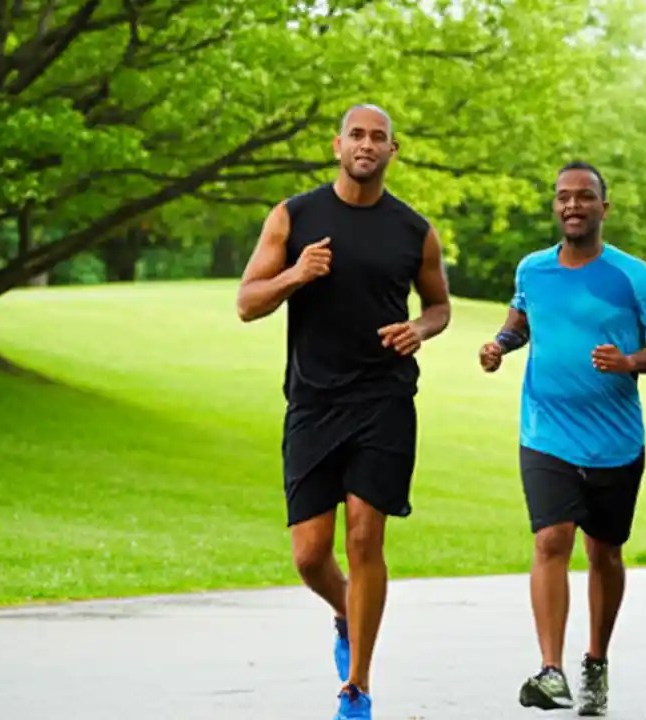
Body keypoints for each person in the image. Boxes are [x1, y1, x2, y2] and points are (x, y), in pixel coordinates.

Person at [235, 103, 451, 720]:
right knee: (309, 554)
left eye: (378, 137)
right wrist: (296, 275)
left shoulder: (415, 230)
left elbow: (439, 306)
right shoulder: (295, 216)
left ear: (393, 150)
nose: (366, 144)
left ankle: (356, 688)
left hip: (383, 400)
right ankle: (344, 611)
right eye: (356, 135)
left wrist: (420, 328)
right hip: (312, 401)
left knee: (364, 535)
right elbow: (248, 302)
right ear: (337, 146)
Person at [478, 161, 646, 716]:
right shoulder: (533, 269)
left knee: (606, 553)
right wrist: (499, 345)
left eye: (585, 197)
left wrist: (631, 361)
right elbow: (520, 319)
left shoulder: (632, 276)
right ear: (555, 206)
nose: (573, 205)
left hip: (616, 441)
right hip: (545, 431)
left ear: (603, 207)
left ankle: (596, 662)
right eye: (564, 197)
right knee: (551, 540)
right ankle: (551, 670)